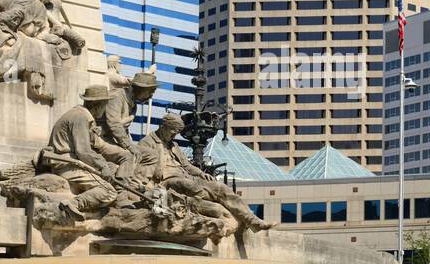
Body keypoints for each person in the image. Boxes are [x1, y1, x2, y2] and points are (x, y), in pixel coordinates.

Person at [119, 113, 270, 233]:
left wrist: (201, 173)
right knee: (189, 186)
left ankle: (252, 220)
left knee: (220, 187)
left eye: (177, 132)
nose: (174, 135)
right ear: (163, 126)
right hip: (167, 182)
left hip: (186, 176)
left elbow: (186, 164)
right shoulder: (147, 143)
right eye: (173, 131)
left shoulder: (174, 145)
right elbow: (140, 166)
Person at [38, 85, 119, 215]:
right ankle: (73, 204)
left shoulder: (77, 114)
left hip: (70, 163)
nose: (105, 110)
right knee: (108, 191)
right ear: (98, 105)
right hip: (68, 165)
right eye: (105, 105)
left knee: (113, 170)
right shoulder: (80, 117)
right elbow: (84, 152)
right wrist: (102, 166)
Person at [101, 71, 157, 152]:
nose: (151, 95)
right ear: (140, 89)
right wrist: (129, 146)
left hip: (118, 140)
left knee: (151, 154)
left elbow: (124, 128)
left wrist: (129, 143)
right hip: (103, 138)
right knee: (129, 156)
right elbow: (114, 124)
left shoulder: (133, 104)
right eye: (150, 91)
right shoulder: (116, 96)